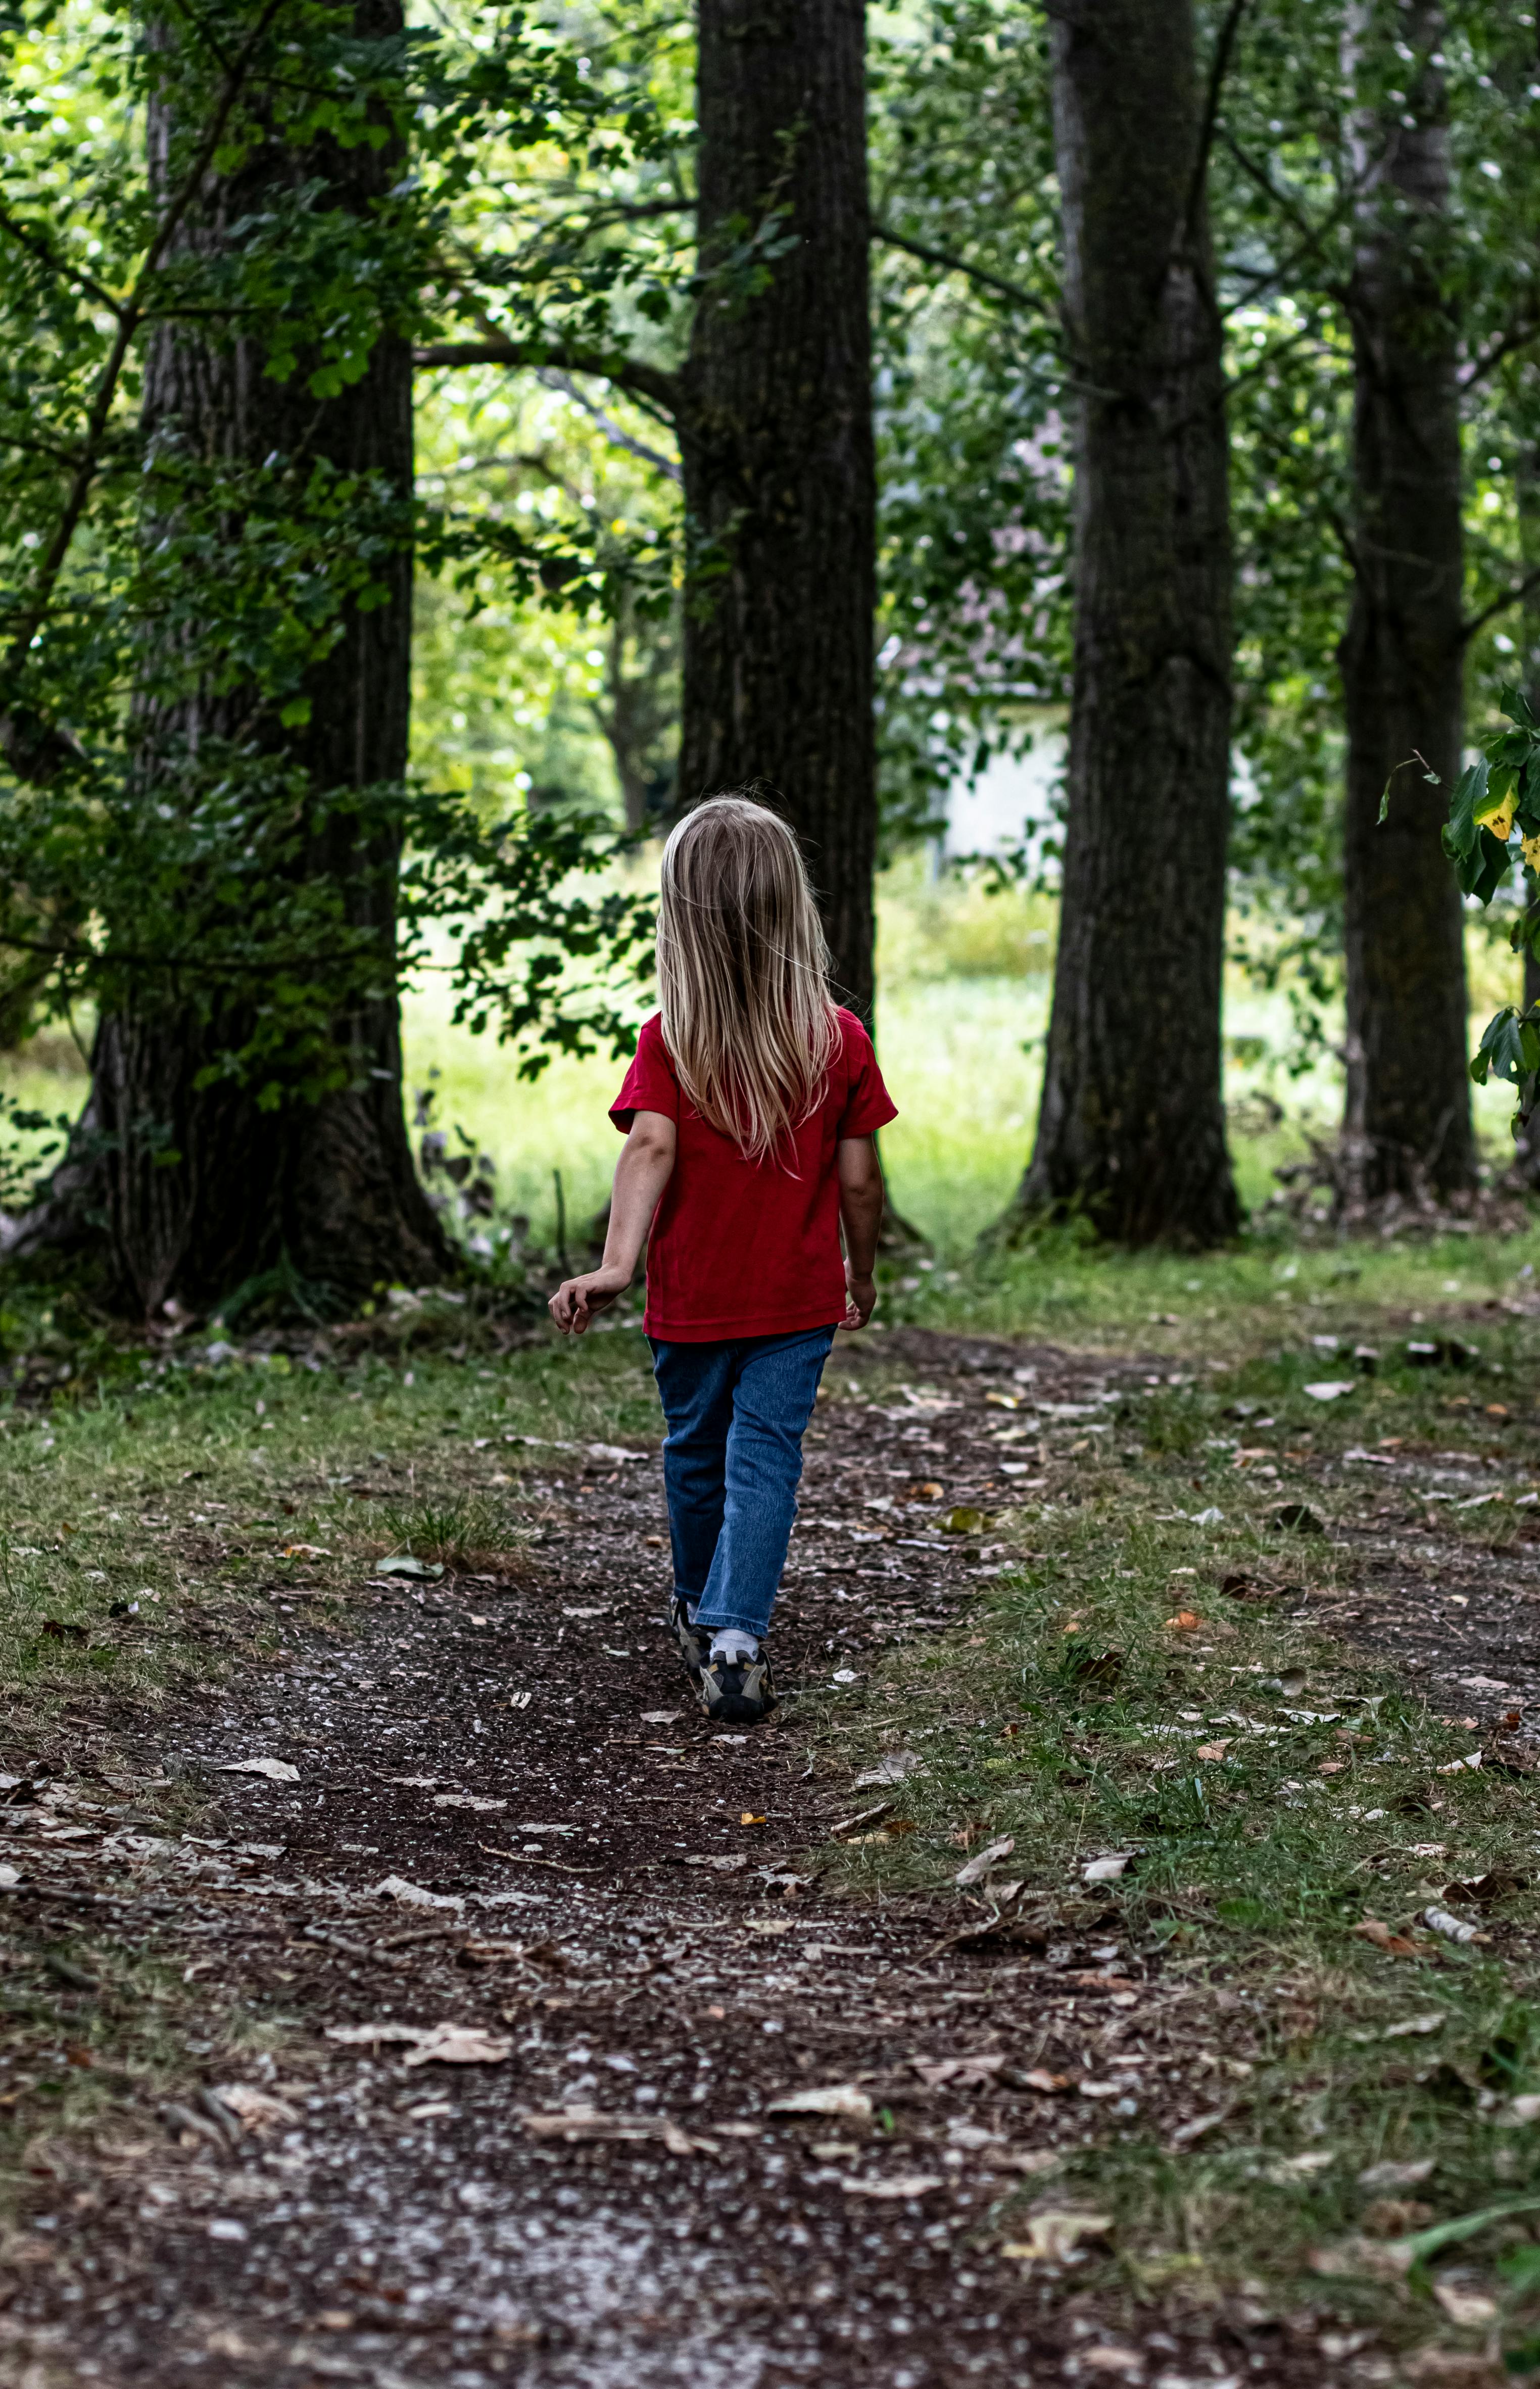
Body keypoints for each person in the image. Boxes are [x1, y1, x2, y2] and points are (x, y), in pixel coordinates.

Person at [548, 792, 896, 1724]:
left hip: (693, 1302)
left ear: (682, 924)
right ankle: (736, 1636)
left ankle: (705, 1615)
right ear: (793, 911)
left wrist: (617, 1266)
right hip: (797, 1300)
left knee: (696, 1455)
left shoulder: (670, 1043)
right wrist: (863, 1275)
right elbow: (861, 1182)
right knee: (765, 1459)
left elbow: (648, 1150)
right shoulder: (838, 1041)